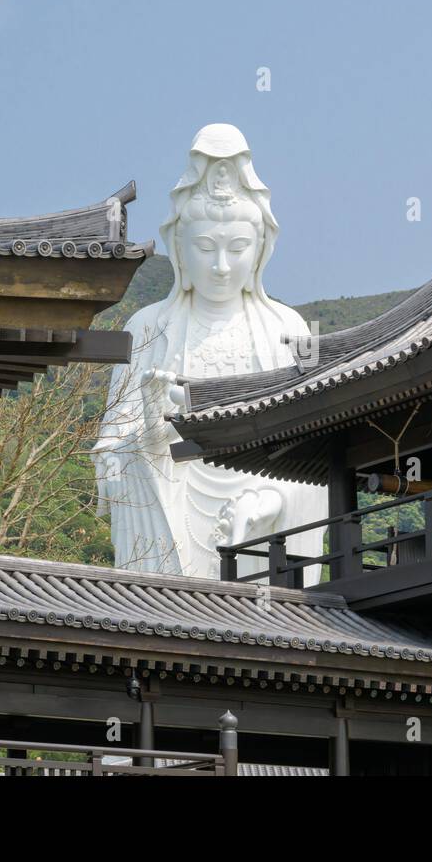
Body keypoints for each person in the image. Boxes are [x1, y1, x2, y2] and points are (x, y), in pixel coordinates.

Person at [92, 123, 328, 580]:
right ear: (180, 249)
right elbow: (111, 454)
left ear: (260, 249)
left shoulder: (290, 329)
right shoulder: (147, 328)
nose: (221, 266)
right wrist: (150, 434)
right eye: (205, 247)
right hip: (169, 511)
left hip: (263, 510)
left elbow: (316, 446)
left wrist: (271, 497)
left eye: (237, 248)